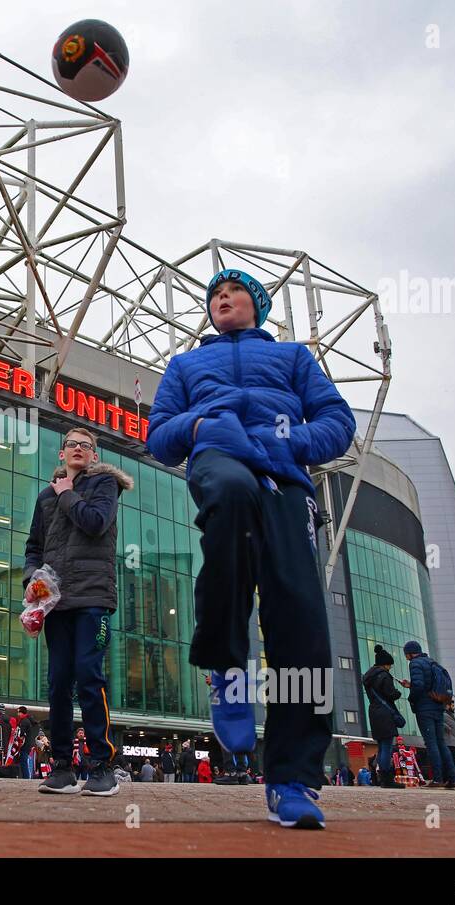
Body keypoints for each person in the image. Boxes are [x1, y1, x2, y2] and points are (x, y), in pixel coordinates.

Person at [146, 269, 356, 829]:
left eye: (234, 292)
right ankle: (226, 667)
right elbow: (159, 437)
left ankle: (291, 780)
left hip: (283, 478)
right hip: (221, 460)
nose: (222, 298)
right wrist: (203, 425)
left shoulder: (293, 358)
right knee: (232, 499)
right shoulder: (187, 366)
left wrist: (283, 440)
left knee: (302, 621)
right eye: (214, 294)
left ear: (257, 306)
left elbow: (338, 422)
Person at [25, 426, 132, 798]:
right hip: (56, 602)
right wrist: (31, 580)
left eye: (86, 446)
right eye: (72, 444)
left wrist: (68, 494)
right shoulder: (45, 497)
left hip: (93, 598)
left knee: (89, 675)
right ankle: (62, 768)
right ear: (61, 453)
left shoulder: (104, 485)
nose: (78, 449)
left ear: (94, 456)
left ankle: (101, 766)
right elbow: (33, 547)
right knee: (57, 682)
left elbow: (96, 523)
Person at [399, 641, 455, 790]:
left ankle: (438, 778)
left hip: (425, 708)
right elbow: (426, 684)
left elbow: (419, 686)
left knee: (430, 743)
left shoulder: (415, 664)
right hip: (438, 707)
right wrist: (411, 684)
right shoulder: (431, 662)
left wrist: (411, 698)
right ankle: (452, 778)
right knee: (441, 743)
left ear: (409, 653)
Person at [361, 644, 404, 788]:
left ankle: (382, 778)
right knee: (386, 746)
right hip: (385, 713)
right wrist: (398, 693)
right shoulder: (384, 675)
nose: (390, 668)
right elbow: (390, 694)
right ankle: (387, 779)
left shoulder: (368, 676)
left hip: (373, 711)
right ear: (385, 664)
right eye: (389, 665)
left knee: (381, 746)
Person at [12, 706, 41, 779]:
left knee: (23, 762)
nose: (18, 714)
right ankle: (25, 776)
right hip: (27, 745)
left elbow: (21, 733)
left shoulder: (24, 721)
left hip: (24, 745)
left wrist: (18, 740)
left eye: (19, 712)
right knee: (23, 761)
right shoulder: (26, 720)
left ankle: (26, 777)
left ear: (22, 713)